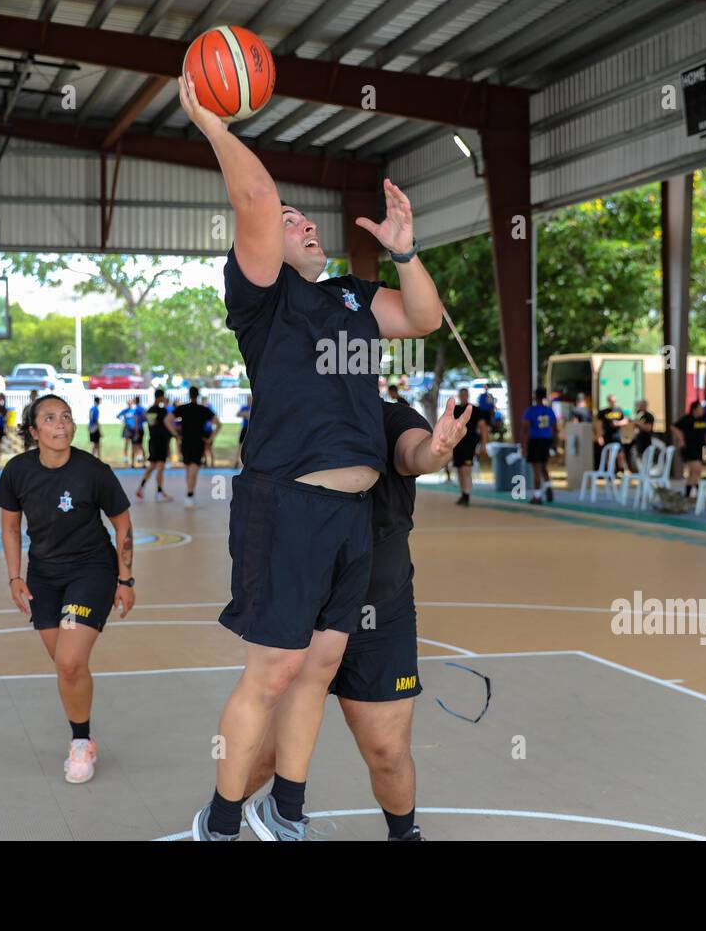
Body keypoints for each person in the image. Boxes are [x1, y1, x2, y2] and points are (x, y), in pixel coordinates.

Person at [178, 70, 442, 842]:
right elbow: (255, 202)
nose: (301, 223)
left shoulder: (353, 301)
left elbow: (422, 317)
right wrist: (213, 124)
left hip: (353, 513)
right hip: (286, 499)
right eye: (290, 221)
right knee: (275, 670)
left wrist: (406, 250)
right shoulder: (261, 298)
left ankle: (285, 813)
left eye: (307, 219)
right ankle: (221, 824)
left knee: (320, 666)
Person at [245, 397, 471, 840]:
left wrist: (437, 450)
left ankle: (404, 834)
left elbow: (414, 454)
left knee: (387, 750)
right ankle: (220, 819)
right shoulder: (289, 416)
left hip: (380, 611)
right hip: (305, 609)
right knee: (269, 751)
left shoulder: (391, 417)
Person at [0, 394, 135, 784]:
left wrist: (125, 579)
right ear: (33, 430)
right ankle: (82, 732)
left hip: (92, 570)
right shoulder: (17, 471)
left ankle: (80, 742)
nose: (62, 425)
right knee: (65, 665)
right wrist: (14, 576)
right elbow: (9, 527)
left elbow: (122, 525)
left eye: (67, 417)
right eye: (51, 418)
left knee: (70, 662)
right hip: (43, 575)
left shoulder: (93, 471)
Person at [169, 386, 215, 508]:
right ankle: (189, 496)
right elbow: (218, 424)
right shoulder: (203, 409)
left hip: (186, 443)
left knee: (189, 469)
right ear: (198, 395)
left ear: (189, 395)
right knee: (193, 470)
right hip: (197, 443)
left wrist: (176, 435)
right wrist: (210, 438)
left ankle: (190, 495)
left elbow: (167, 420)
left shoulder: (182, 408)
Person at [451, 387, 489, 506]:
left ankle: (467, 494)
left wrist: (483, 444)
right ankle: (463, 493)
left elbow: (483, 428)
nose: (463, 396)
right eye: (461, 394)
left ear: (468, 396)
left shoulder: (474, 410)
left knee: (466, 469)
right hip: (456, 444)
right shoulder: (455, 409)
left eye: (465, 394)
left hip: (469, 444)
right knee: (459, 470)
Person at [522, 386, 558, 503]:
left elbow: (525, 429)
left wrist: (524, 446)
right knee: (543, 467)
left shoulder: (530, 411)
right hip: (546, 441)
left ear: (535, 396)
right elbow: (555, 429)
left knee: (536, 470)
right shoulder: (549, 410)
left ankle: (537, 496)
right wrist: (555, 444)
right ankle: (548, 486)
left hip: (535, 441)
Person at [136, 389, 173, 502]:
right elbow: (167, 426)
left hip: (153, 441)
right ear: (161, 397)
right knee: (160, 467)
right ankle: (159, 492)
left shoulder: (150, 411)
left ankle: (141, 488)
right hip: (161, 442)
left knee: (152, 466)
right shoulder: (163, 411)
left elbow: (151, 424)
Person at [671, 400, 706, 497]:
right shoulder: (687, 419)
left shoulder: (702, 419)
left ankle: (689, 494)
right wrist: (681, 439)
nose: (702, 410)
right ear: (694, 410)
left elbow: (702, 431)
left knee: (694, 472)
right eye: (700, 408)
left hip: (698, 449)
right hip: (688, 448)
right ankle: (692, 494)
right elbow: (673, 427)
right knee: (697, 469)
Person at [594, 394, 626, 472]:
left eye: (614, 401)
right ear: (608, 401)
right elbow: (599, 425)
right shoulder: (603, 412)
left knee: (620, 454)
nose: (613, 403)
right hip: (607, 436)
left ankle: (621, 471)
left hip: (617, 436)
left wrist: (618, 423)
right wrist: (599, 436)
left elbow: (625, 421)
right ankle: (610, 472)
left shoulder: (619, 410)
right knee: (609, 455)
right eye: (612, 401)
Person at [626, 398, 656, 472]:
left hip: (646, 441)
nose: (640, 407)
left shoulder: (649, 416)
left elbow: (648, 428)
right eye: (639, 405)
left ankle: (646, 475)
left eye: (642, 405)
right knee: (638, 461)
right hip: (638, 442)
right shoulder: (639, 415)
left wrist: (638, 423)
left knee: (646, 461)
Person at [234, 394, 251, 468]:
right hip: (244, 428)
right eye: (248, 399)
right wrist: (244, 414)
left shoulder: (254, 406)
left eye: (250, 399)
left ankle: (248, 462)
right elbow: (237, 414)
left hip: (251, 429)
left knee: (251, 446)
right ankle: (237, 461)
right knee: (240, 445)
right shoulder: (244, 407)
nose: (249, 401)